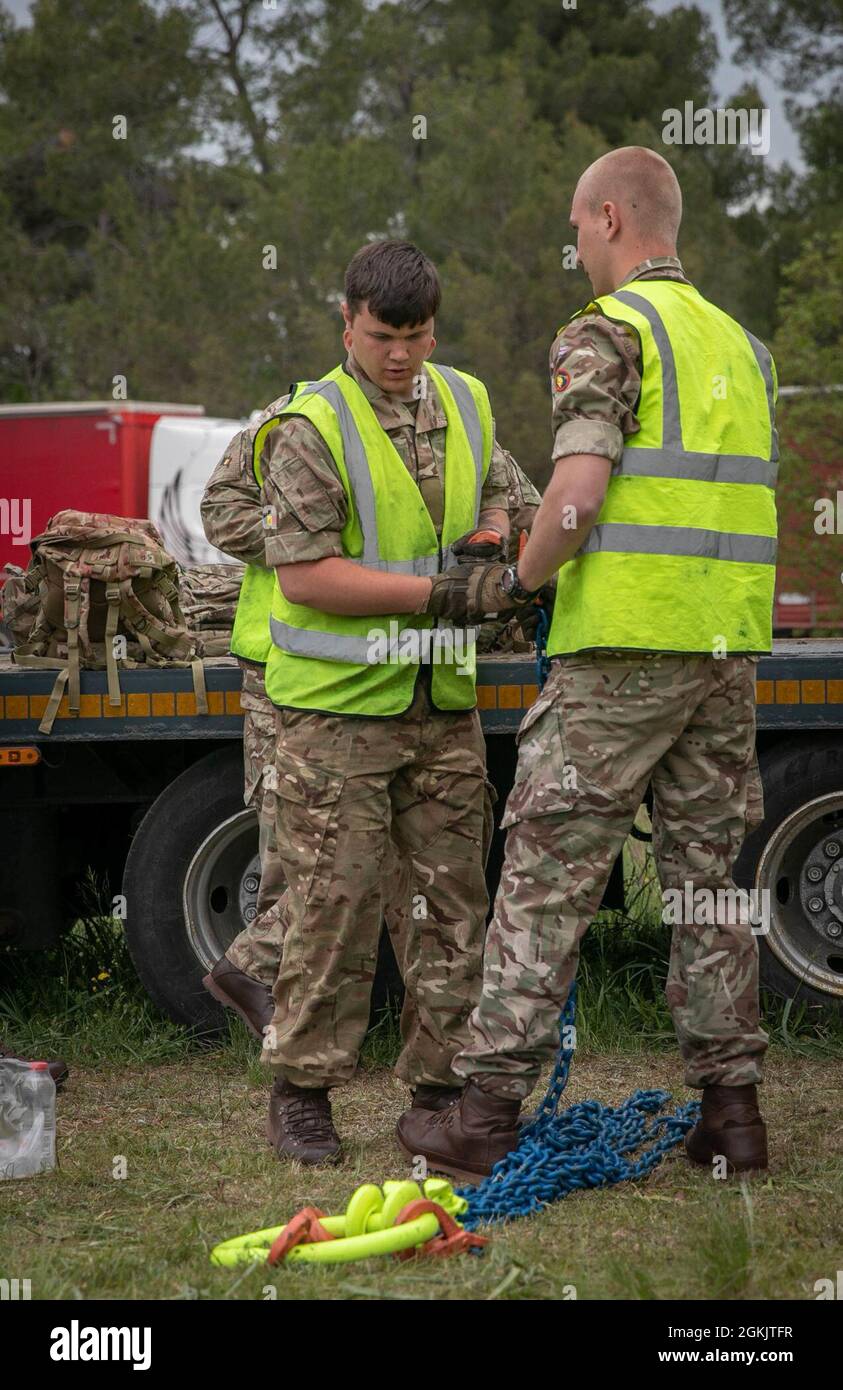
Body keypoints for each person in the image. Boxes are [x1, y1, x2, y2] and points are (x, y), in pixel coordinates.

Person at [398, 146, 778, 1183]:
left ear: (610, 217)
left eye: (576, 228)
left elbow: (577, 494)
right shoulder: (744, 349)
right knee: (707, 886)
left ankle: (482, 1115)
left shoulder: (606, 332)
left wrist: (520, 579)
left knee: (544, 880)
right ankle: (733, 1116)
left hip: (619, 652)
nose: (573, 248)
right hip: (724, 650)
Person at [246, 238, 535, 1165]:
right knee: (331, 910)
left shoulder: (465, 399)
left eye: (415, 336)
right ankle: (302, 1094)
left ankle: (440, 1094)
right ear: (346, 323)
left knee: (454, 909)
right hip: (336, 711)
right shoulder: (309, 425)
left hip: (441, 705)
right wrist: (443, 595)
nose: (401, 356)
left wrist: (492, 536)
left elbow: (501, 490)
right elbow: (302, 576)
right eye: (381, 336)